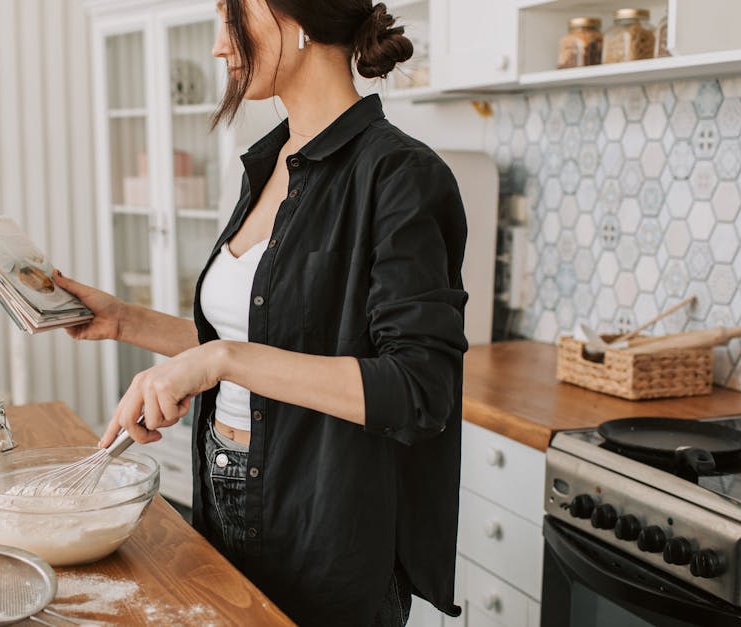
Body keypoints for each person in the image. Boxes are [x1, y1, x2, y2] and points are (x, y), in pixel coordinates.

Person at [53, 1, 467, 624]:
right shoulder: (268, 162)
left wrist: (222, 360)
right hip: (223, 486)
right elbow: (265, 335)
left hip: (325, 516)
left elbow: (417, 389)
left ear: (295, 20)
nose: (220, 47)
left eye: (232, 16)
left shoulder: (401, 175)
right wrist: (124, 320)